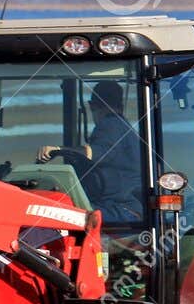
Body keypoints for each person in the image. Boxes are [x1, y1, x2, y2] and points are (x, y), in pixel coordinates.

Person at [37, 81, 144, 224]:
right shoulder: (124, 127)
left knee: (49, 213)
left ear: (92, 106)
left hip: (118, 210)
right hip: (125, 208)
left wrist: (57, 150)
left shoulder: (110, 125)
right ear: (121, 106)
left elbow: (95, 153)